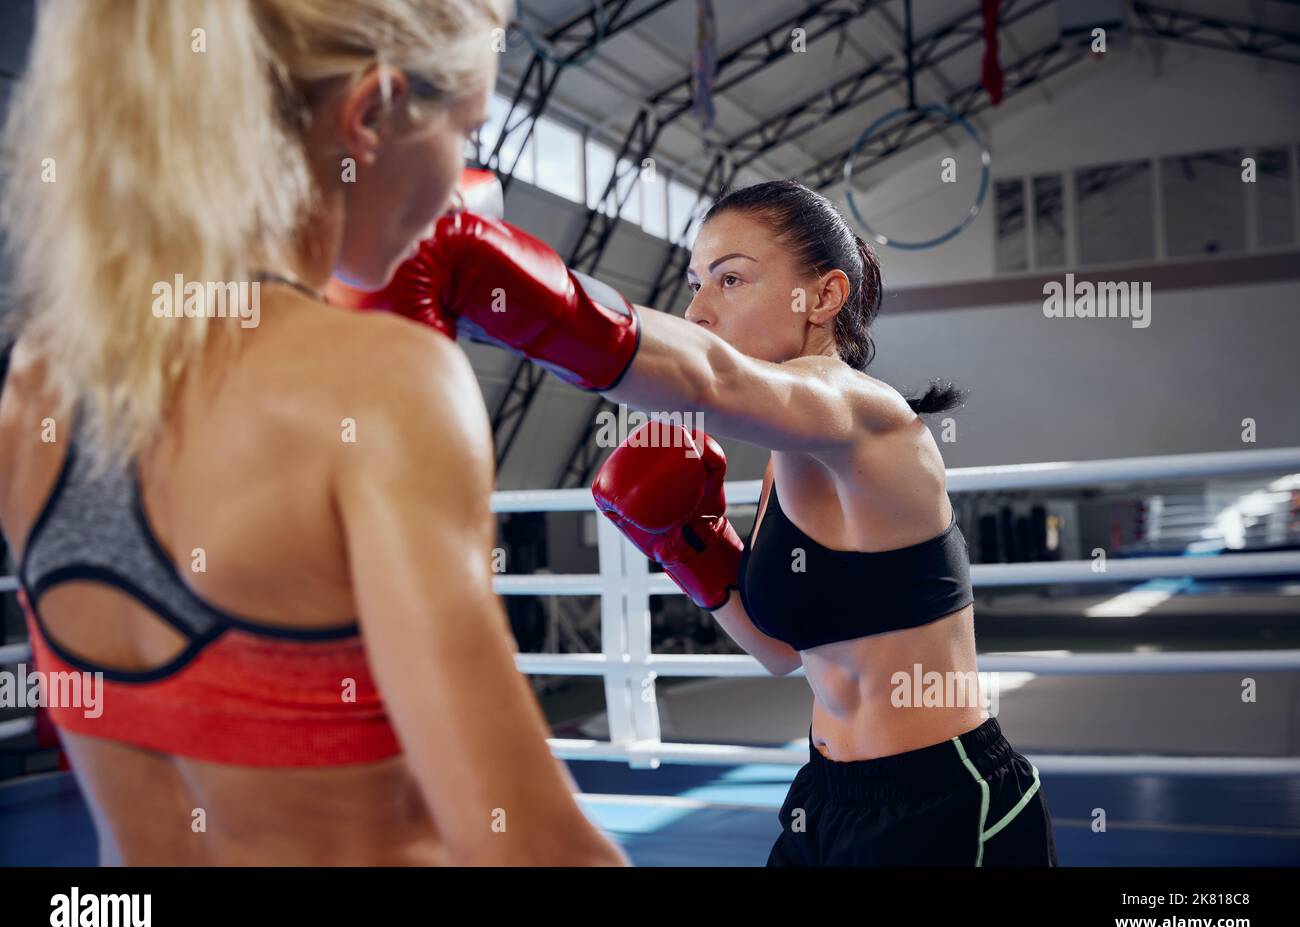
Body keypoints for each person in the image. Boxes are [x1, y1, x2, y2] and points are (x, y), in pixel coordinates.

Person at [0, 0, 625, 867]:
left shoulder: (39, 379)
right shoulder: (385, 386)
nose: (459, 184)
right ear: (370, 113)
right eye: (467, 133)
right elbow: (534, 854)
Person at [382, 179, 1058, 866]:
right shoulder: (786, 457)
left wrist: (508, 281)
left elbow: (712, 380)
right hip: (825, 795)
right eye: (695, 281)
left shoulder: (869, 415)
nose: (699, 309)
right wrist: (687, 545)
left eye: (731, 279)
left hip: (943, 803)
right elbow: (780, 651)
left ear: (823, 298)